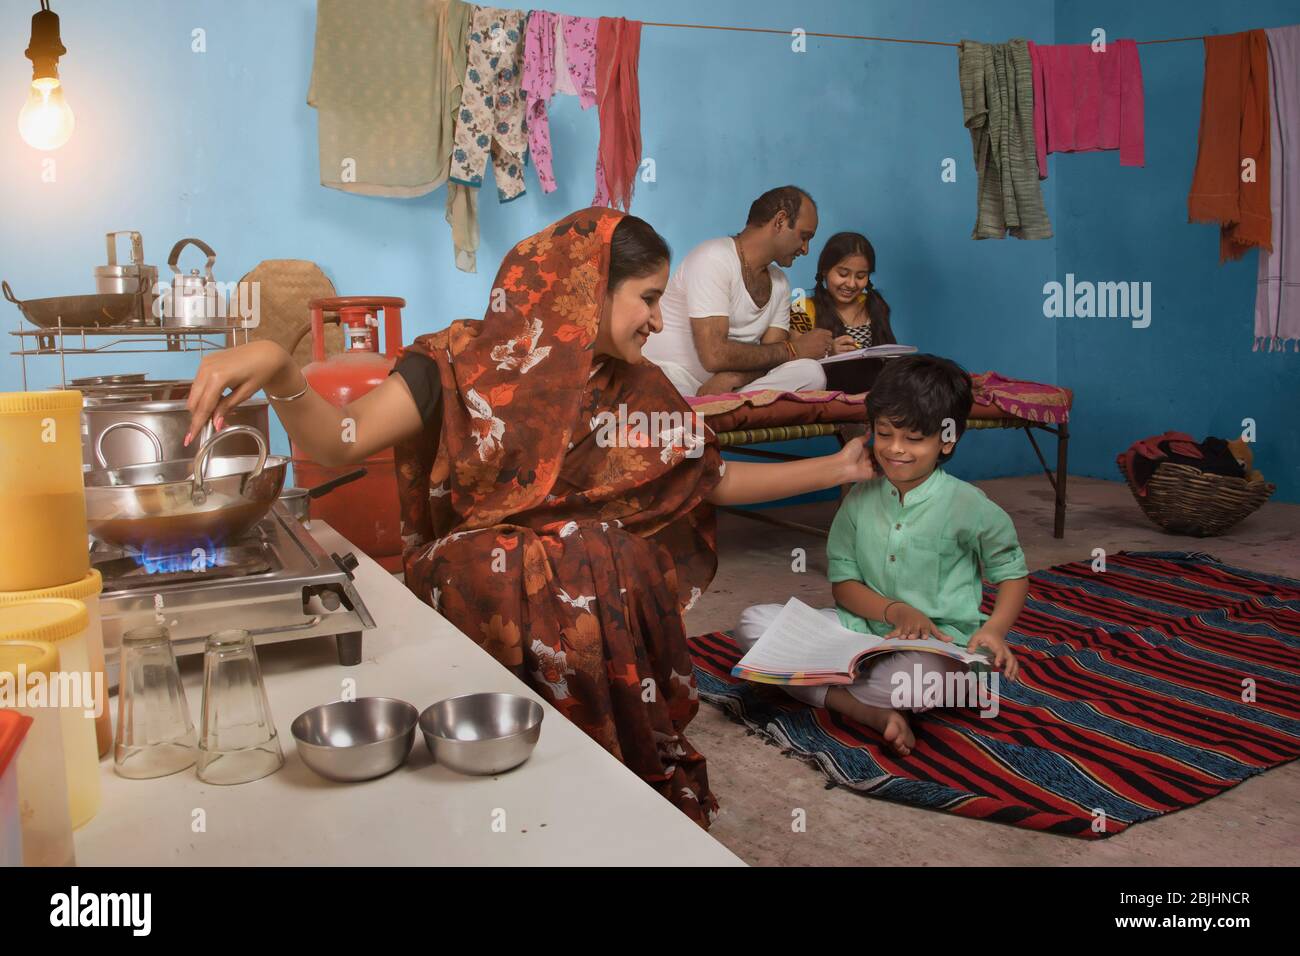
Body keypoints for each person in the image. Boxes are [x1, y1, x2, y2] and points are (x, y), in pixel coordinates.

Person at [184, 208, 877, 827]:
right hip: (476, 572)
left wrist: (837, 469)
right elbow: (337, 438)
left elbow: (712, 480)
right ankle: (534, 774)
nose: (659, 322)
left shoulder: (636, 387)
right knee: (554, 556)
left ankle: (608, 791)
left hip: (592, 579)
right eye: (648, 299)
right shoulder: (456, 363)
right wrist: (282, 370)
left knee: (605, 553)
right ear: (586, 287)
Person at [733, 354, 1029, 757]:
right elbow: (845, 587)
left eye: (913, 439)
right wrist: (895, 611)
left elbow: (1012, 574)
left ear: (947, 438)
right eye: (884, 433)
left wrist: (994, 629)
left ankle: (829, 689)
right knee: (754, 626)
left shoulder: (970, 506)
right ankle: (863, 708)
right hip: (857, 631)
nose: (894, 450)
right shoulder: (858, 499)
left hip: (938, 646)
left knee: (915, 682)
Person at [640, 185, 833, 396]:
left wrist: (734, 377)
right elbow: (714, 355)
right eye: (804, 237)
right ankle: (720, 409)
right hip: (675, 379)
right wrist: (794, 349)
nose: (805, 250)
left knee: (811, 373)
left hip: (728, 385)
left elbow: (775, 358)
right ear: (780, 221)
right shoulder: (714, 258)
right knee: (660, 390)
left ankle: (722, 407)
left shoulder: (780, 282)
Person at [789, 231, 896, 351]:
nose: (851, 284)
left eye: (860, 276)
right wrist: (828, 353)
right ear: (825, 271)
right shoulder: (800, 310)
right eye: (843, 274)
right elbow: (796, 358)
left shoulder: (874, 304)